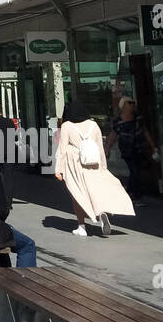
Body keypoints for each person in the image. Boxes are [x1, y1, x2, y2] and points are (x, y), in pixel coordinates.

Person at [55, 101, 135, 236]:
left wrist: (59, 169)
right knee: (95, 191)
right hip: (94, 164)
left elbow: (62, 150)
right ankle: (101, 212)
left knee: (78, 194)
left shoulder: (67, 126)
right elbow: (100, 148)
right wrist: (103, 166)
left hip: (76, 165)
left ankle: (82, 226)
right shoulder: (93, 125)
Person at [106, 96, 156, 202]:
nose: (132, 105)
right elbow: (112, 135)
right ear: (123, 105)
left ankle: (132, 193)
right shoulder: (118, 121)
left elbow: (145, 132)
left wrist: (153, 146)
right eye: (130, 102)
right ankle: (133, 194)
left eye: (133, 102)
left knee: (136, 170)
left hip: (139, 148)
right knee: (135, 170)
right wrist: (107, 149)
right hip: (127, 150)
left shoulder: (138, 118)